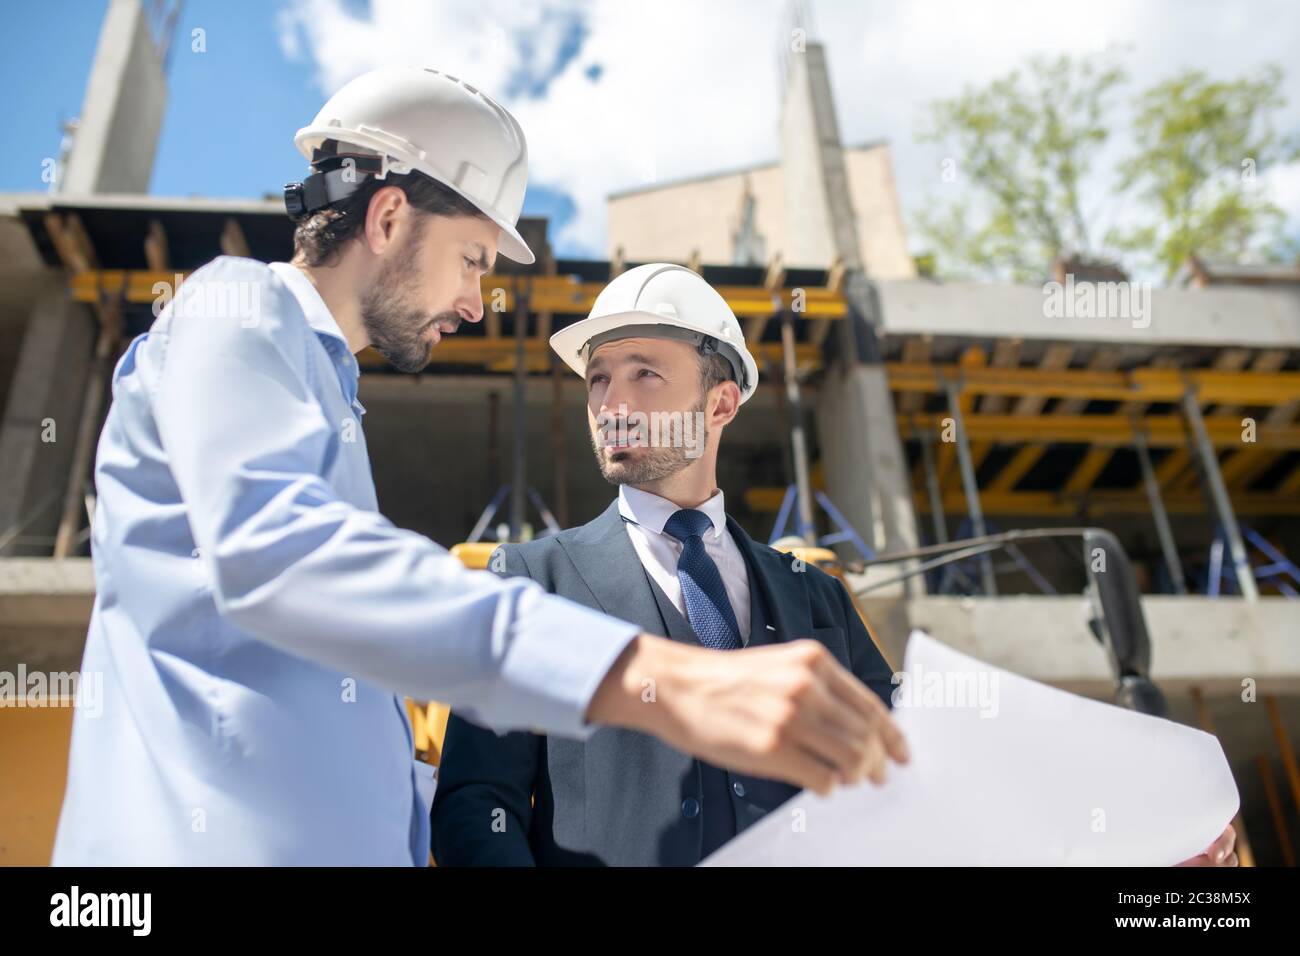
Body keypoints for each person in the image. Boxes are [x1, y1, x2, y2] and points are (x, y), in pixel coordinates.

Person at [51, 70, 903, 865]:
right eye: (471, 261)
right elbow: (279, 556)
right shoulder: (235, 308)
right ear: (387, 220)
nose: (472, 300)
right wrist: (656, 676)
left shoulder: (325, 400)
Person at [431, 264, 903, 866]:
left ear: (721, 404)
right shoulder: (530, 581)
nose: (612, 402)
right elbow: (478, 804)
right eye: (597, 379)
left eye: (644, 374)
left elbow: (893, 774)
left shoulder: (817, 596)